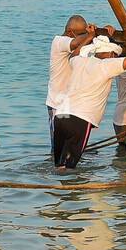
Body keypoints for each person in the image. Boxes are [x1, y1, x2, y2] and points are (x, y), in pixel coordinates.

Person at [53, 30, 126, 171]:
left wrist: (89, 38)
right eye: (114, 55)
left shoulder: (79, 61)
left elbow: (74, 54)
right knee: (69, 167)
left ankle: (54, 189)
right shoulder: (106, 65)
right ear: (110, 54)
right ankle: (69, 189)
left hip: (60, 116)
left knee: (58, 163)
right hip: (80, 119)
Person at [45, 15, 89, 150]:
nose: (85, 37)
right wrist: (91, 35)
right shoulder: (59, 41)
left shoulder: (81, 43)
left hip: (75, 105)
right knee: (59, 149)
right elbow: (75, 43)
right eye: (82, 34)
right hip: (59, 104)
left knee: (74, 148)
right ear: (70, 32)